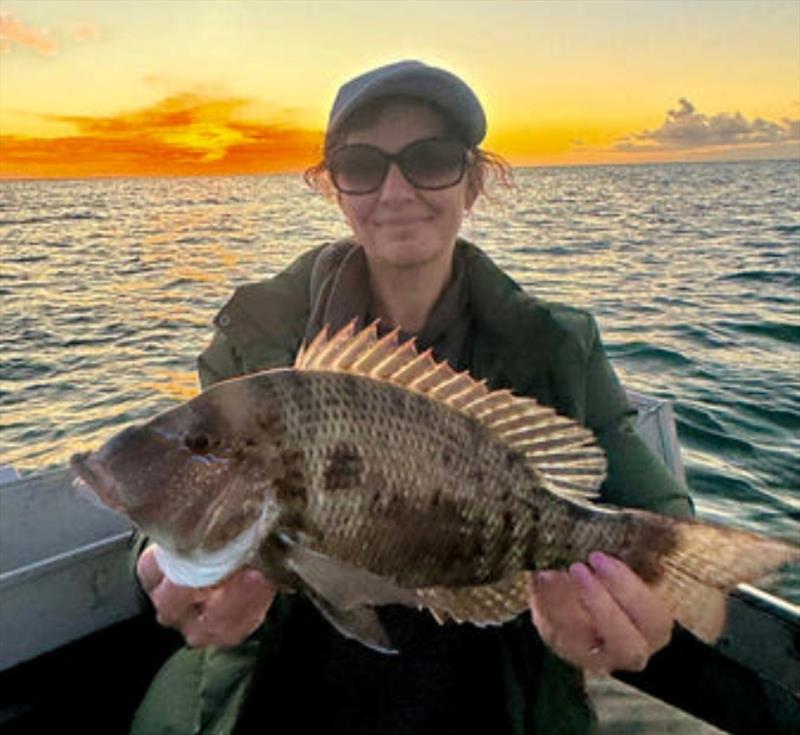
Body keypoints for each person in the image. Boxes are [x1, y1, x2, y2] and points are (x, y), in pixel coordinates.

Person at [131, 60, 692, 735]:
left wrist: (642, 609)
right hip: (283, 688)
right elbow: (194, 479)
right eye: (362, 166)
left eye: (430, 160)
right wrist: (158, 559)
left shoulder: (555, 345)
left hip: (490, 699)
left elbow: (659, 517)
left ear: (473, 181)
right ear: (335, 189)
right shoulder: (261, 333)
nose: (395, 191)